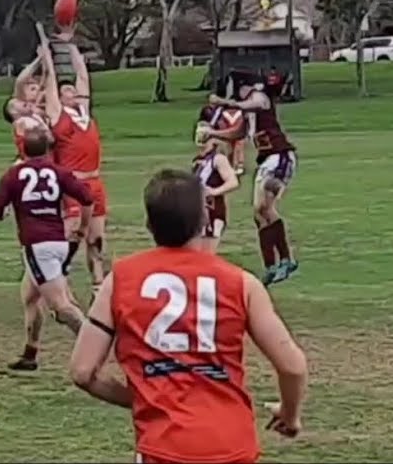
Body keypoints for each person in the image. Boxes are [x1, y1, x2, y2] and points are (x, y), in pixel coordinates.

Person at [69, 169, 310, 464]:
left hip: (163, 446)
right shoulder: (242, 284)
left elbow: (83, 372)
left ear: (149, 224)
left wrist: (144, 399)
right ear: (205, 220)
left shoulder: (119, 280)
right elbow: (293, 366)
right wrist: (290, 414)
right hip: (230, 444)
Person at [0, 128, 94, 372]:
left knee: (61, 306)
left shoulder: (14, 175)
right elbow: (87, 197)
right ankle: (30, 353)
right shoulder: (58, 172)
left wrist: (9, 208)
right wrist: (83, 227)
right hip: (58, 241)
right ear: (48, 149)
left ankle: (98, 344)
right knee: (30, 297)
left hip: (37, 245)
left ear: (23, 149)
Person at [37, 26, 109, 294]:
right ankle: (57, 278)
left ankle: (98, 285)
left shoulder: (84, 113)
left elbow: (83, 75)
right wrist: (47, 57)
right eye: (68, 91)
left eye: (74, 91)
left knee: (97, 238)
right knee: (71, 235)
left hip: (95, 182)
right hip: (73, 184)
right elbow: (52, 84)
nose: (73, 92)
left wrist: (70, 45)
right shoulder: (59, 116)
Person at [210, 75, 299, 286]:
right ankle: (270, 265)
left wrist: (225, 103)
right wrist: (213, 133)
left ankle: (286, 259)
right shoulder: (248, 114)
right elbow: (237, 133)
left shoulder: (259, 96)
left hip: (280, 156)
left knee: (264, 206)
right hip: (267, 161)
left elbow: (254, 104)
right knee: (258, 214)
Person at [193, 123, 240, 253]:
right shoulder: (197, 160)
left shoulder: (218, 159)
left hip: (213, 209)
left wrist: (214, 191)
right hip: (199, 209)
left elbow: (233, 182)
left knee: (207, 253)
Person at [4, 54, 50, 162]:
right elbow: (20, 81)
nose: (22, 101)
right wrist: (40, 58)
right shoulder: (21, 122)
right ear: (14, 112)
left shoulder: (33, 113)